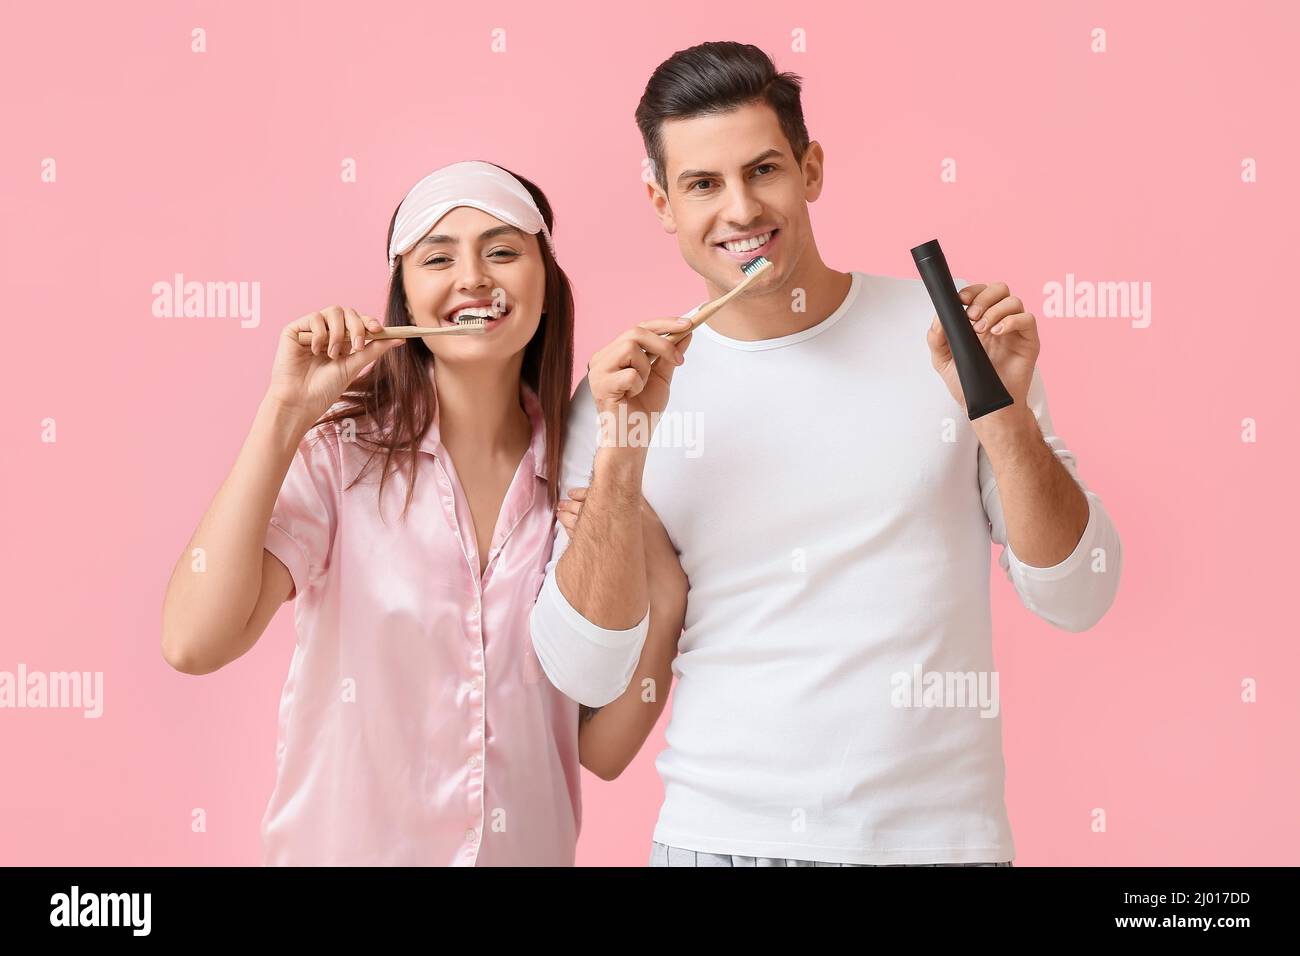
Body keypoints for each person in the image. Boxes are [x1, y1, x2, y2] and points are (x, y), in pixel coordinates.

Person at [530, 42, 1123, 867]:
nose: (739, 210)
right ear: (662, 202)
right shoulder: (618, 395)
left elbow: (1080, 596)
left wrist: (1005, 413)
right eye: (703, 184)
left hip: (942, 844)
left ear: (810, 169)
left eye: (763, 170)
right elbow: (588, 677)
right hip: (720, 840)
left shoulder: (949, 338)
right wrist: (627, 451)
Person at [160, 160, 686, 865]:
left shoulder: (581, 487)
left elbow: (603, 748)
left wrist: (656, 564)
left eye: (502, 251)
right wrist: (286, 413)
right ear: (405, 296)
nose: (472, 277)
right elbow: (195, 642)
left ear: (547, 289)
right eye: (438, 257)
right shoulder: (339, 460)